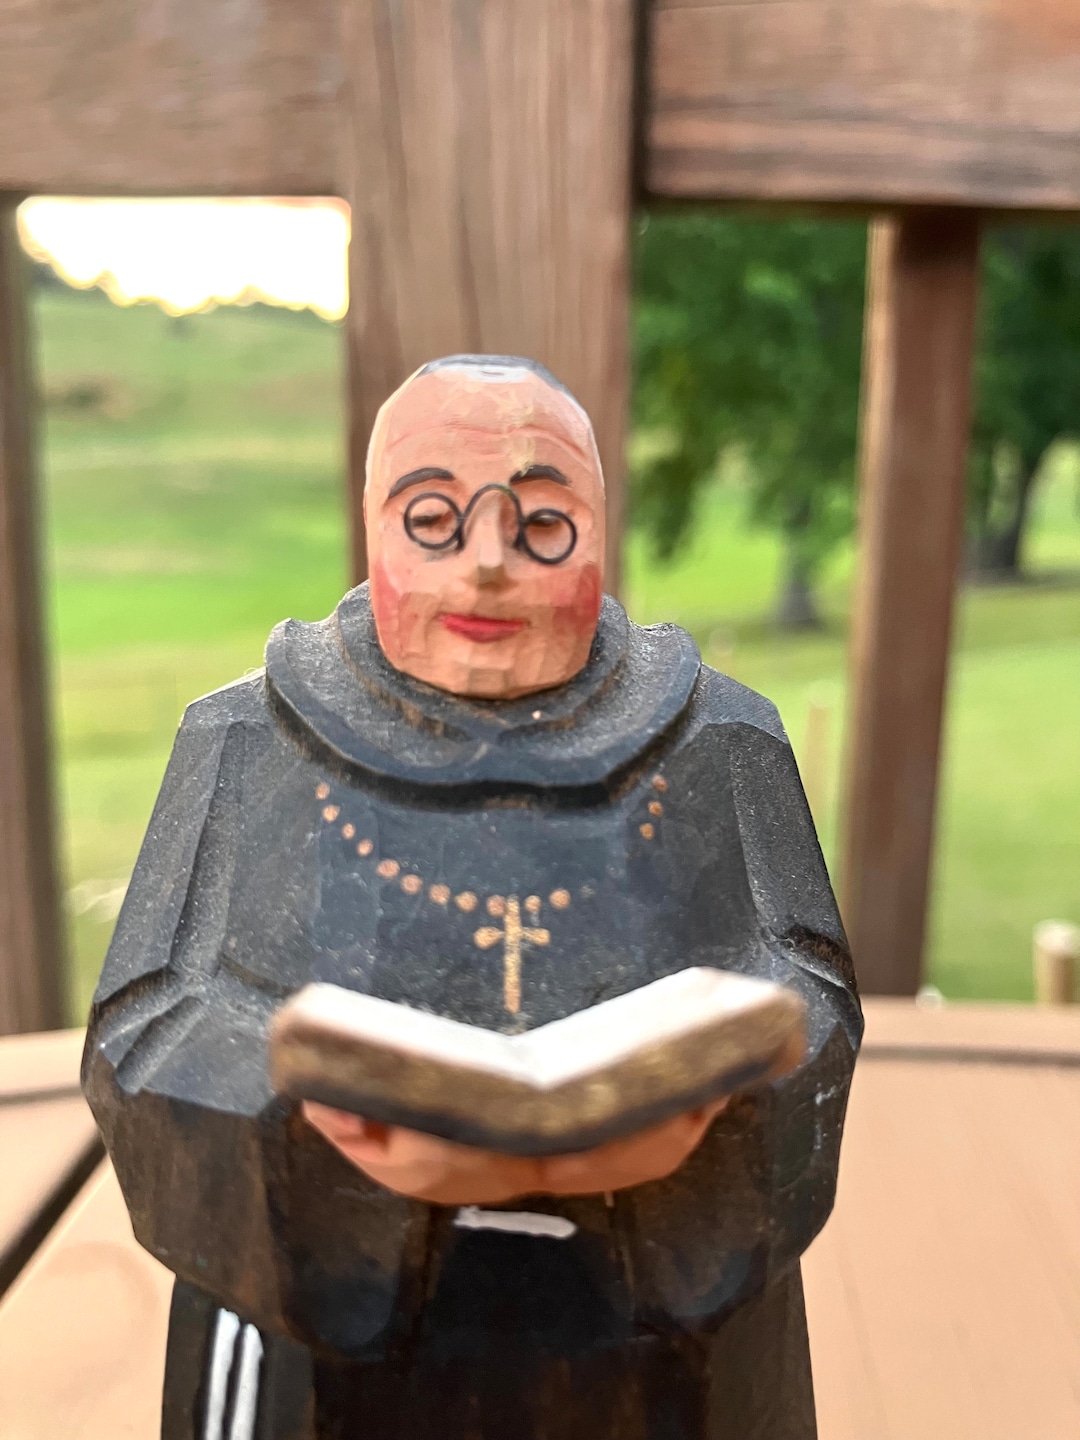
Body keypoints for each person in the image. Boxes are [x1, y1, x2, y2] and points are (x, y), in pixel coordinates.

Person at [83, 356, 861, 1440]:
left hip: (660, 1354)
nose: (488, 566)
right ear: (372, 530)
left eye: (541, 524)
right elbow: (145, 1034)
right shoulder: (244, 743)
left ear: (599, 525)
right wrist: (322, 1138)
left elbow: (813, 1005)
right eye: (434, 519)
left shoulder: (724, 744)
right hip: (316, 1348)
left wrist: (701, 1126)